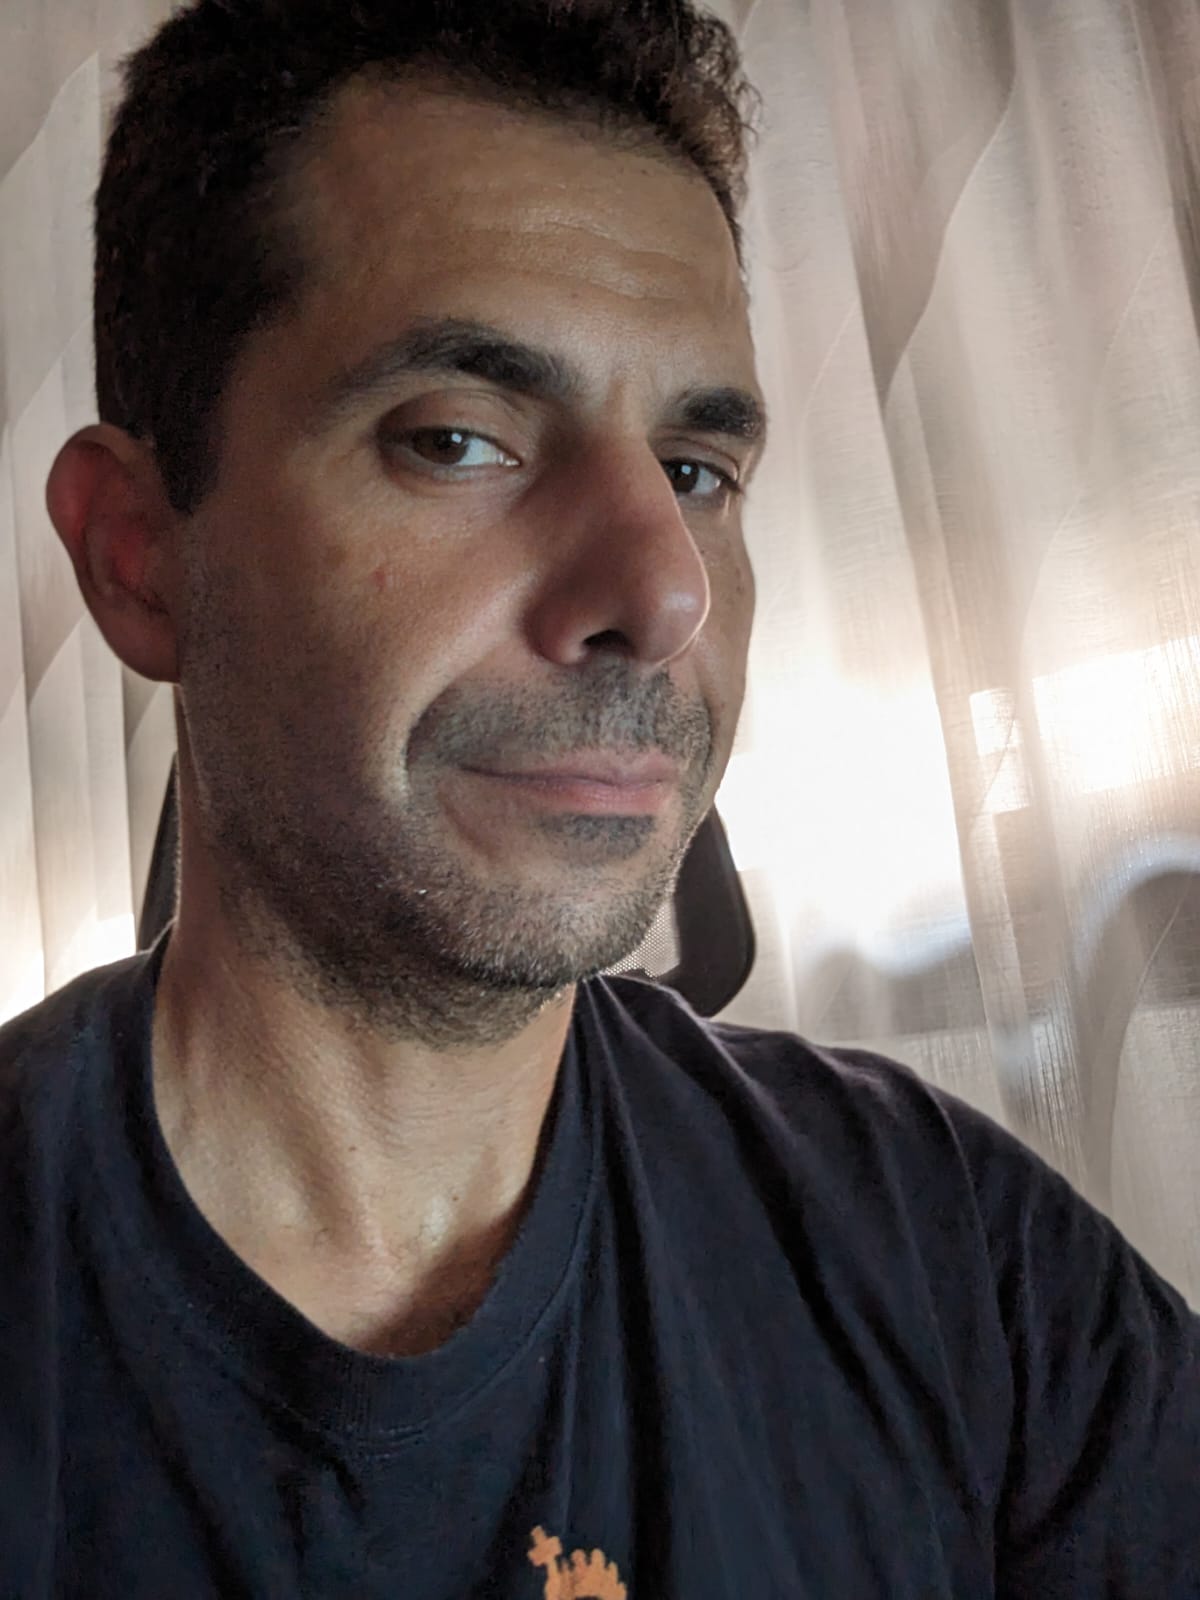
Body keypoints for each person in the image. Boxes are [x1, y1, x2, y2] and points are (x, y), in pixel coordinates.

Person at [1, 0, 1195, 1592]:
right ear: (138, 557)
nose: (662, 590)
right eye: (459, 441)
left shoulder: (954, 1261)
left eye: (698, 473)